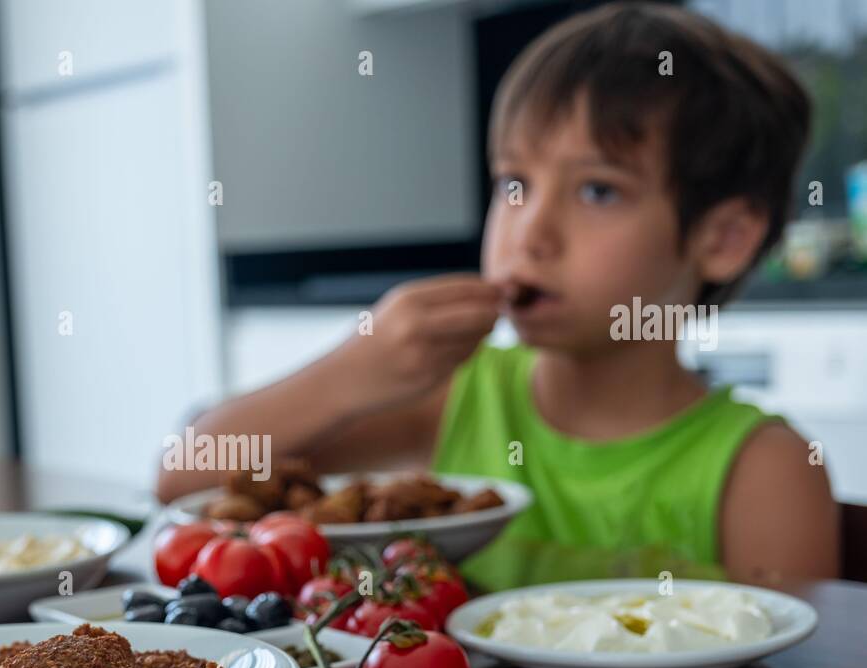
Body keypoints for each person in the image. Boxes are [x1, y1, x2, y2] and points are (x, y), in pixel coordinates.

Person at [156, 2, 840, 588]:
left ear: (723, 237)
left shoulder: (764, 469)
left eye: (598, 190)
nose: (529, 233)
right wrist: (355, 368)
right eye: (514, 184)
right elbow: (182, 477)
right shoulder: (452, 398)